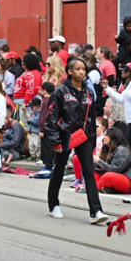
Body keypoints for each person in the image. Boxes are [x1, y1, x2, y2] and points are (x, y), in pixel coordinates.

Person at [44, 57, 108, 224]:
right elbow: (51, 118)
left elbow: (92, 120)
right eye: (78, 69)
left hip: (84, 136)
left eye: (84, 69)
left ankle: (96, 211)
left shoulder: (89, 93)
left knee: (89, 172)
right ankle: (53, 205)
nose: (81, 72)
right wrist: (56, 141)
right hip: (64, 136)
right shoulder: (60, 92)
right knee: (59, 169)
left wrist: (92, 141)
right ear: (70, 71)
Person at [95, 127, 131, 194]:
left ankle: (93, 190)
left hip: (127, 179)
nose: (103, 137)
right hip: (115, 176)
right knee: (95, 173)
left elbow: (115, 169)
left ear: (114, 137)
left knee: (108, 176)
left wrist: (99, 161)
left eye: (106, 135)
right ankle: (97, 188)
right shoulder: (107, 148)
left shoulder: (122, 150)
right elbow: (102, 168)